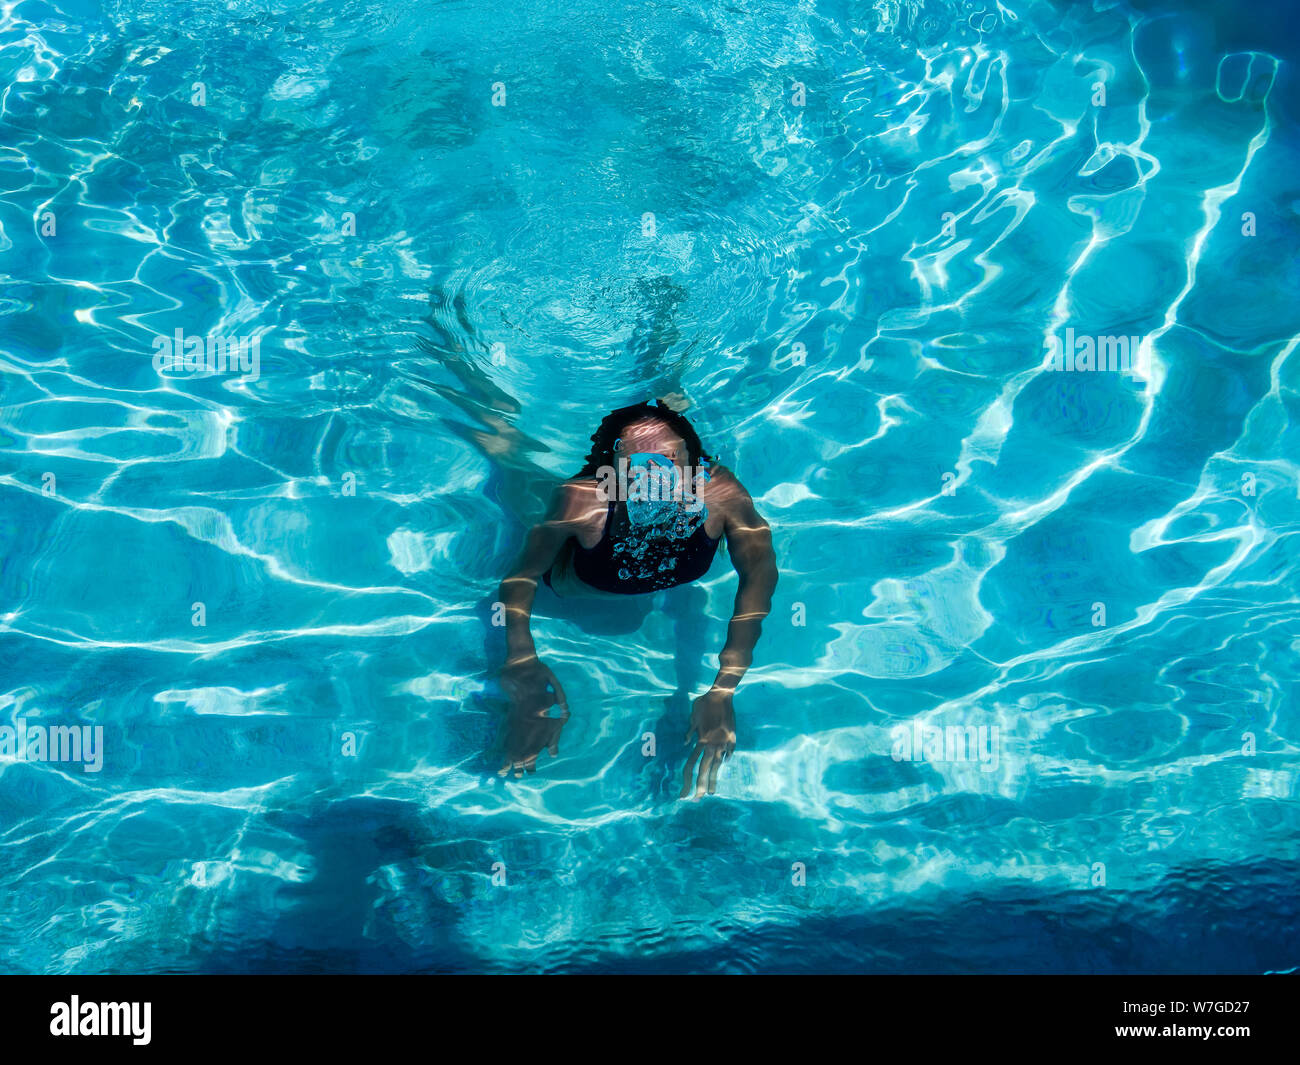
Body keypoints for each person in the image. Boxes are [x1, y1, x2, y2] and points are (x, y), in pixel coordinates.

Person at [495, 397, 778, 797]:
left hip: (634, 591)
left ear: (693, 466)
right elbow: (520, 576)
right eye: (636, 462)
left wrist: (723, 688)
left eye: (668, 457)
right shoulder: (583, 500)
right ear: (613, 471)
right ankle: (485, 406)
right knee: (512, 465)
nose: (654, 474)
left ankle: (666, 386)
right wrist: (521, 663)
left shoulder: (719, 494)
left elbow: (760, 573)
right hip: (571, 588)